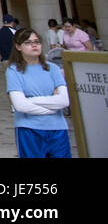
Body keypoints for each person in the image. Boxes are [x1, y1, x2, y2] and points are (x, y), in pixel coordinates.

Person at [6, 28, 71, 158]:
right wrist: (52, 106)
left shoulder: (53, 68)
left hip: (57, 127)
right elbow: (20, 105)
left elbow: (64, 101)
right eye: (28, 42)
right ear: (18, 47)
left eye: (37, 41)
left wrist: (30, 100)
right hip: (29, 128)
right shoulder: (13, 70)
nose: (34, 45)